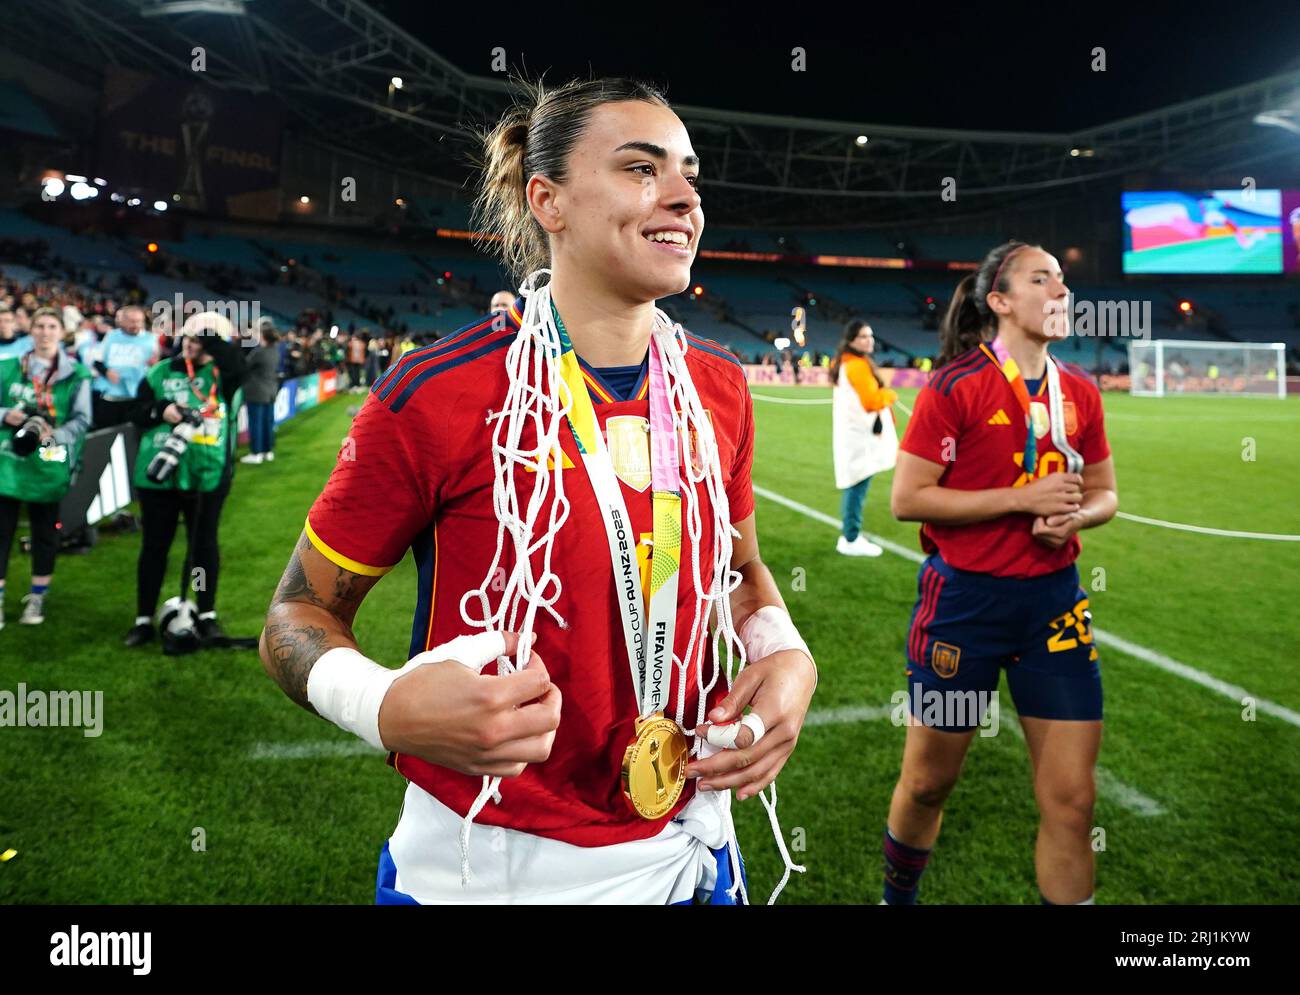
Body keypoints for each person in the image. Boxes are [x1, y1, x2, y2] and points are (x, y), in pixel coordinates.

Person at [259, 77, 817, 905]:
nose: (684, 197)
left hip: (695, 847)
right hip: (490, 872)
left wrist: (783, 650)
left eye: (689, 174)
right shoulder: (435, 393)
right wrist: (385, 704)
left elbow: (739, 572)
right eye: (641, 168)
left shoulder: (720, 387)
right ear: (547, 201)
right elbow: (293, 620)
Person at [883, 241, 1118, 906]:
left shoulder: (1081, 392)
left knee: (1073, 800)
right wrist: (1023, 499)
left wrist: (1076, 517)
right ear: (1001, 301)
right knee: (928, 783)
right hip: (965, 607)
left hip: (1055, 609)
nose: (1060, 291)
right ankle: (896, 897)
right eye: (1042, 278)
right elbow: (909, 499)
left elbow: (1105, 493)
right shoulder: (956, 385)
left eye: (1064, 280)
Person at [124, 312, 246, 649]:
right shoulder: (160, 371)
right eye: (187, 338)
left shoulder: (225, 375)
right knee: (154, 547)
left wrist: (211, 337)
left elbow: (237, 365)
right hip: (158, 477)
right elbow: (135, 411)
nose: (189, 344)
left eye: (199, 339)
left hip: (207, 476)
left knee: (202, 549)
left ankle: (206, 614)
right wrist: (160, 409)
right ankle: (143, 619)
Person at [0, 307, 92, 627]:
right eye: (39, 325)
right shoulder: (9, 367)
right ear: (31, 330)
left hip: (51, 457)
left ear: (61, 332)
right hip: (9, 459)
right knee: (2, 532)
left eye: (51, 326)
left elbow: (82, 420)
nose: (44, 331)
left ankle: (37, 598)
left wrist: (56, 433)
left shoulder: (77, 374)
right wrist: (4, 416)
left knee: (44, 533)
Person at [830, 319, 897, 557]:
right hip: (860, 437)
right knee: (857, 485)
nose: (869, 340)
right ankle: (850, 538)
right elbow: (871, 401)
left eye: (870, 336)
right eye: (863, 337)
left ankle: (850, 535)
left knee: (856, 484)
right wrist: (889, 394)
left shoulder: (847, 362)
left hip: (855, 434)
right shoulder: (857, 365)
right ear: (851, 341)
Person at [80, 304, 158, 428]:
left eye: (139, 321)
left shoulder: (151, 339)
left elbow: (155, 366)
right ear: (123, 321)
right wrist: (107, 372)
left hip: (136, 398)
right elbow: (97, 361)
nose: (136, 325)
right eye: (132, 321)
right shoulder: (111, 336)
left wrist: (154, 363)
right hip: (111, 396)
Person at [241, 326, 279, 465]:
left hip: (257, 392)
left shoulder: (259, 352)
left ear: (263, 336)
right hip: (270, 391)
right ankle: (267, 451)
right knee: (267, 422)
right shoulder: (275, 351)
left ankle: (256, 453)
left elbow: (245, 365)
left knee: (256, 423)